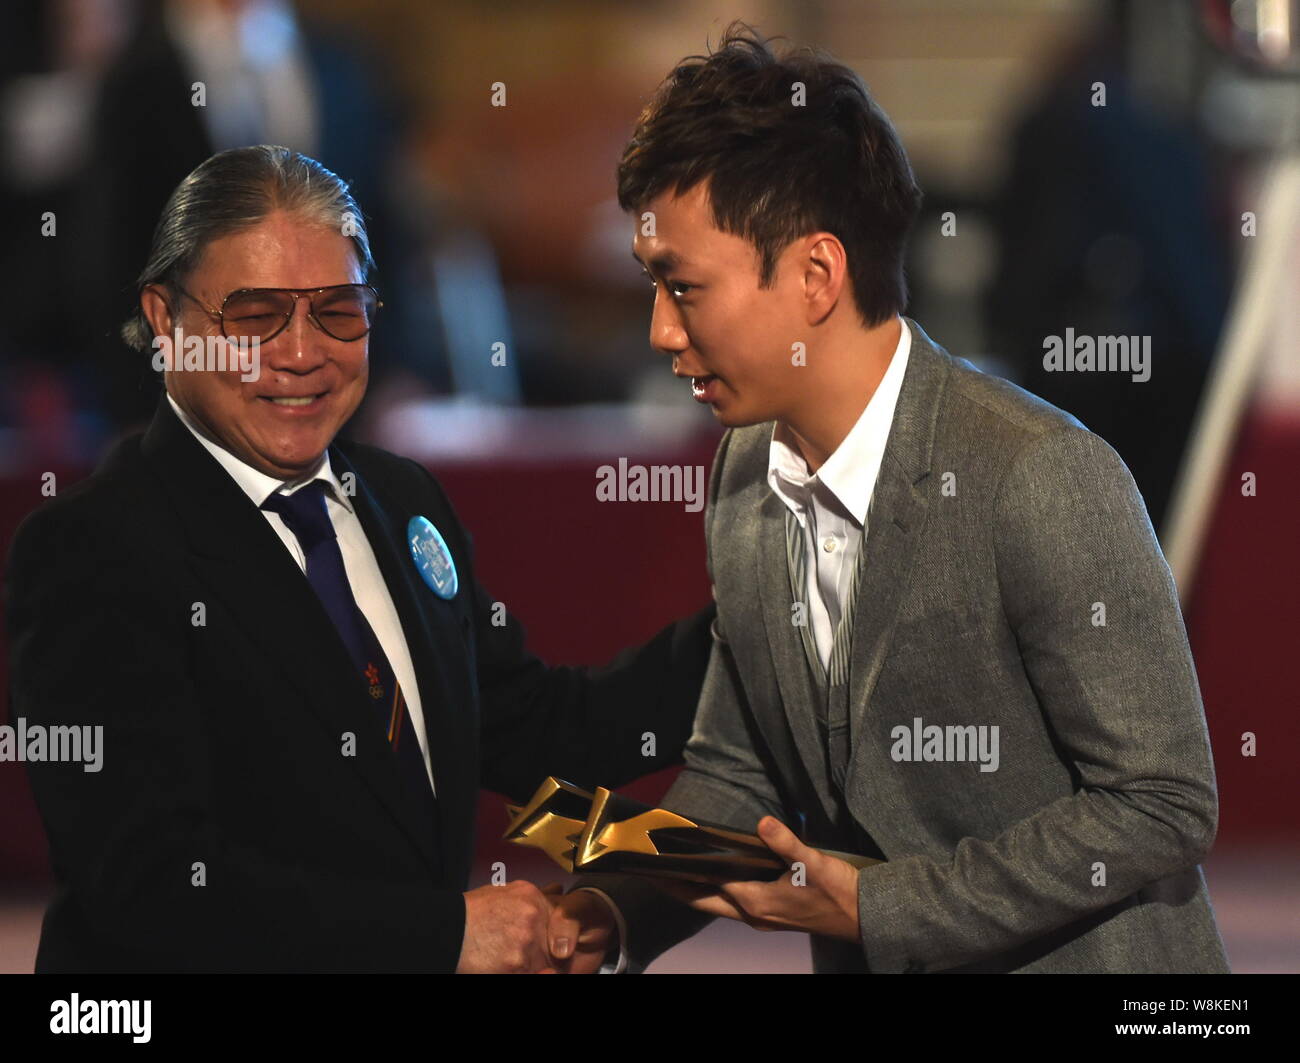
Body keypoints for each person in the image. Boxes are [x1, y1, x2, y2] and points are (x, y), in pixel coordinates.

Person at [548, 24, 1230, 973]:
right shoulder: (745, 468)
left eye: (684, 287)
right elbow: (739, 769)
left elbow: (1162, 801)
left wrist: (883, 903)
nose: (661, 330)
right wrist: (608, 912)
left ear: (818, 275)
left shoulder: (1038, 473)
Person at [4, 145, 713, 973]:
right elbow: (151, 885)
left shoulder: (402, 499)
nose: (304, 352)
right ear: (165, 321)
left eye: (338, 310)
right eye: (256, 314)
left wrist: (770, 616)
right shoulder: (94, 548)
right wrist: (445, 937)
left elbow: (536, 732)